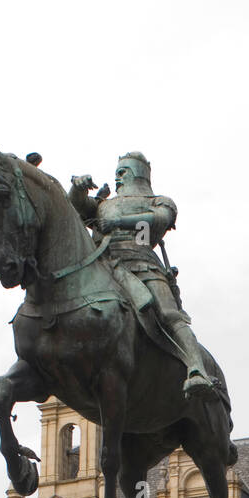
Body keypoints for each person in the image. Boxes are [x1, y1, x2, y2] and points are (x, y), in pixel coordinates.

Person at [68, 152, 216, 398]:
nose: (117, 177)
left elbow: (158, 221)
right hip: (102, 265)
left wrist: (119, 223)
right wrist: (78, 188)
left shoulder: (159, 201)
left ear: (137, 172)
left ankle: (196, 369)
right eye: (116, 172)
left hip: (141, 261)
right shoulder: (104, 204)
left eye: (122, 172)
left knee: (169, 314)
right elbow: (76, 208)